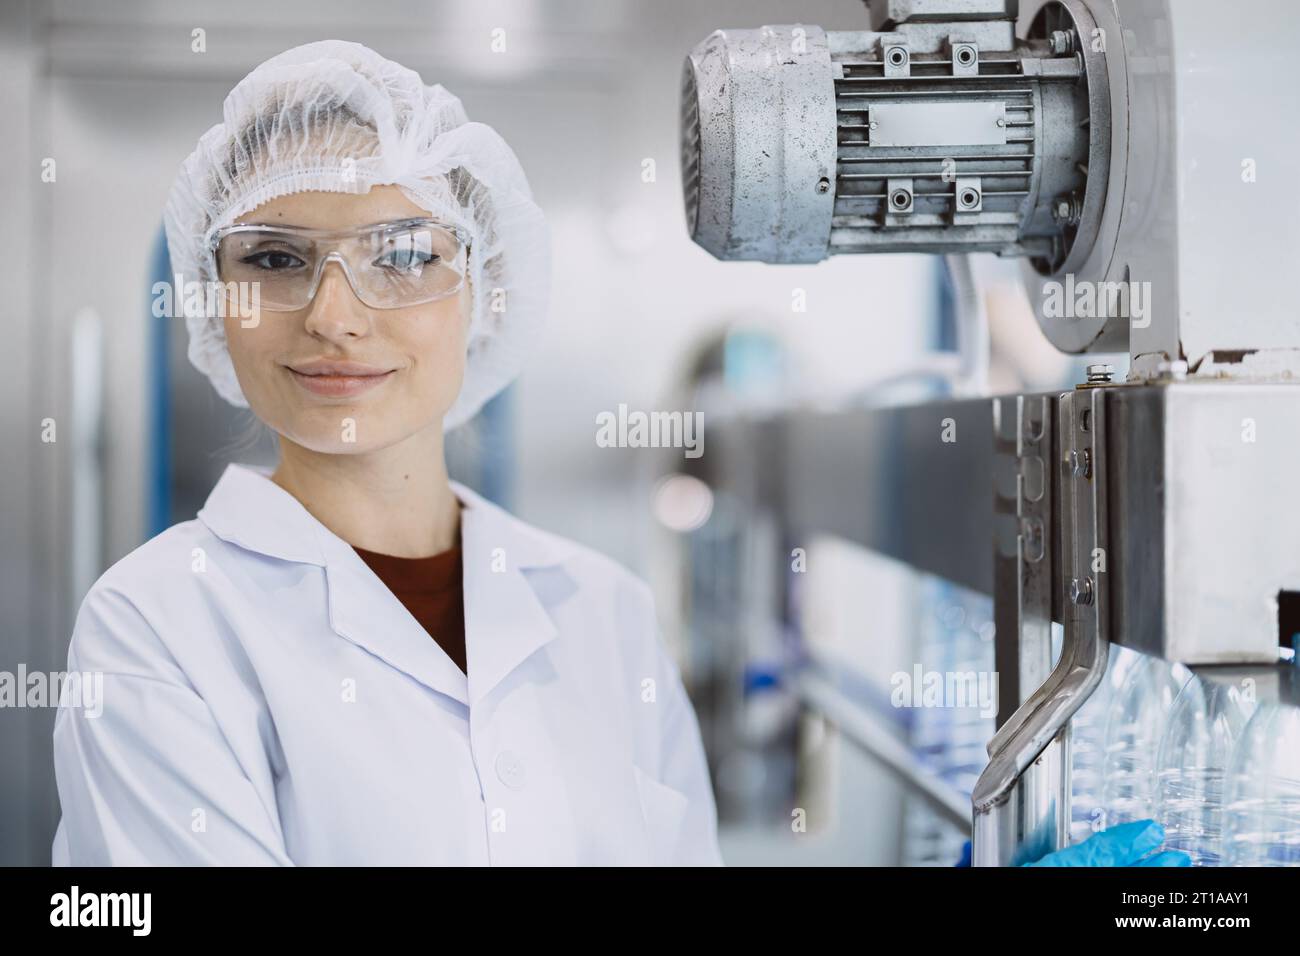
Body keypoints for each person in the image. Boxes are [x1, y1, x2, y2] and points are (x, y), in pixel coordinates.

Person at [50, 40, 721, 866]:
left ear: (484, 288)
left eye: (403, 255)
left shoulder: (605, 611)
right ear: (213, 294)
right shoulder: (154, 627)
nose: (335, 315)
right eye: (274, 258)